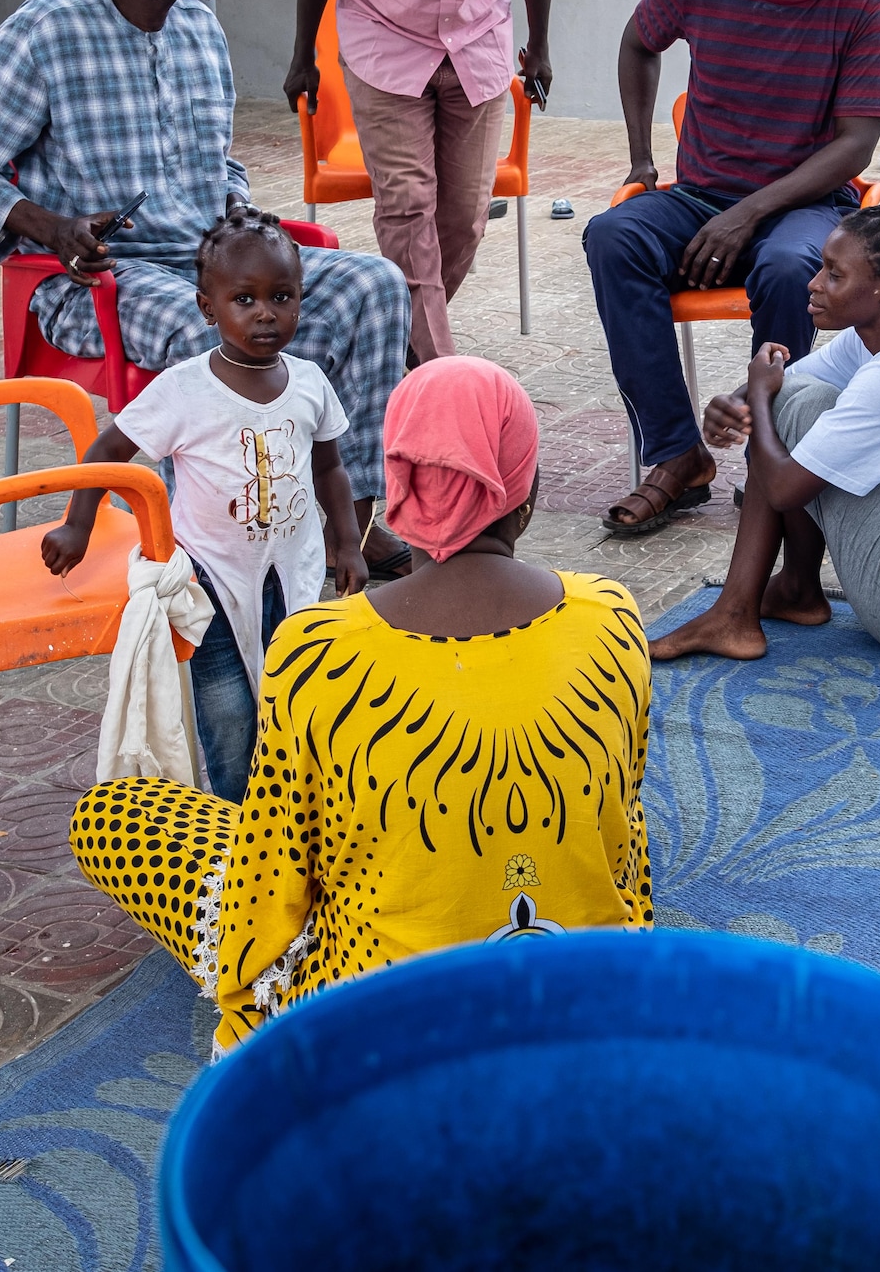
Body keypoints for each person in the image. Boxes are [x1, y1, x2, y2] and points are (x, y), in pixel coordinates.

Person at [68, 356, 654, 1053]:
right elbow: (625, 839)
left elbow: (274, 879)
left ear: (399, 494)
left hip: (375, 1026)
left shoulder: (318, 650)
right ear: (527, 494)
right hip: (586, 990)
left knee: (117, 813)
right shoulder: (611, 616)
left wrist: (245, 1027)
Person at [0, 0, 416, 578]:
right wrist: (54, 228)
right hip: (97, 279)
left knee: (373, 285)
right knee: (224, 329)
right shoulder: (44, 34)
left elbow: (218, 163)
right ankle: (212, 538)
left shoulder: (200, 31)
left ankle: (349, 512)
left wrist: (244, 222)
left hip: (206, 260)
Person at [587, 0, 880, 536]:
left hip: (807, 206)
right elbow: (640, 42)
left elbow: (855, 146)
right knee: (613, 236)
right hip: (701, 198)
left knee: (789, 266)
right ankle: (676, 456)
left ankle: (770, 453)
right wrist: (642, 160)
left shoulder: (865, 5)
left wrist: (750, 212)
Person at [40, 209, 368, 800]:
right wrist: (77, 526)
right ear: (207, 308)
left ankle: (292, 814)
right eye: (244, 299)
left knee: (294, 695)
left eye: (282, 296)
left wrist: (347, 542)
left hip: (291, 570)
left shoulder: (310, 381)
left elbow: (331, 468)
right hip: (210, 577)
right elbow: (107, 449)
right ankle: (237, 833)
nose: (266, 313)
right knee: (229, 712)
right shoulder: (184, 390)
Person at [646, 206, 880, 664]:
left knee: (800, 409)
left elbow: (782, 485)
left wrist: (759, 400)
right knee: (805, 400)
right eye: (822, 266)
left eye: (835, 275)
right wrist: (738, 397)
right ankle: (797, 592)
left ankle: (734, 615)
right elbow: (786, 379)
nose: (814, 283)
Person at [286, 0, 558, 363]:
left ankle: (404, 343)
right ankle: (437, 369)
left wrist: (538, 45)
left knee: (462, 216)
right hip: (387, 47)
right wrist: (304, 57)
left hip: (478, 47)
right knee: (408, 206)